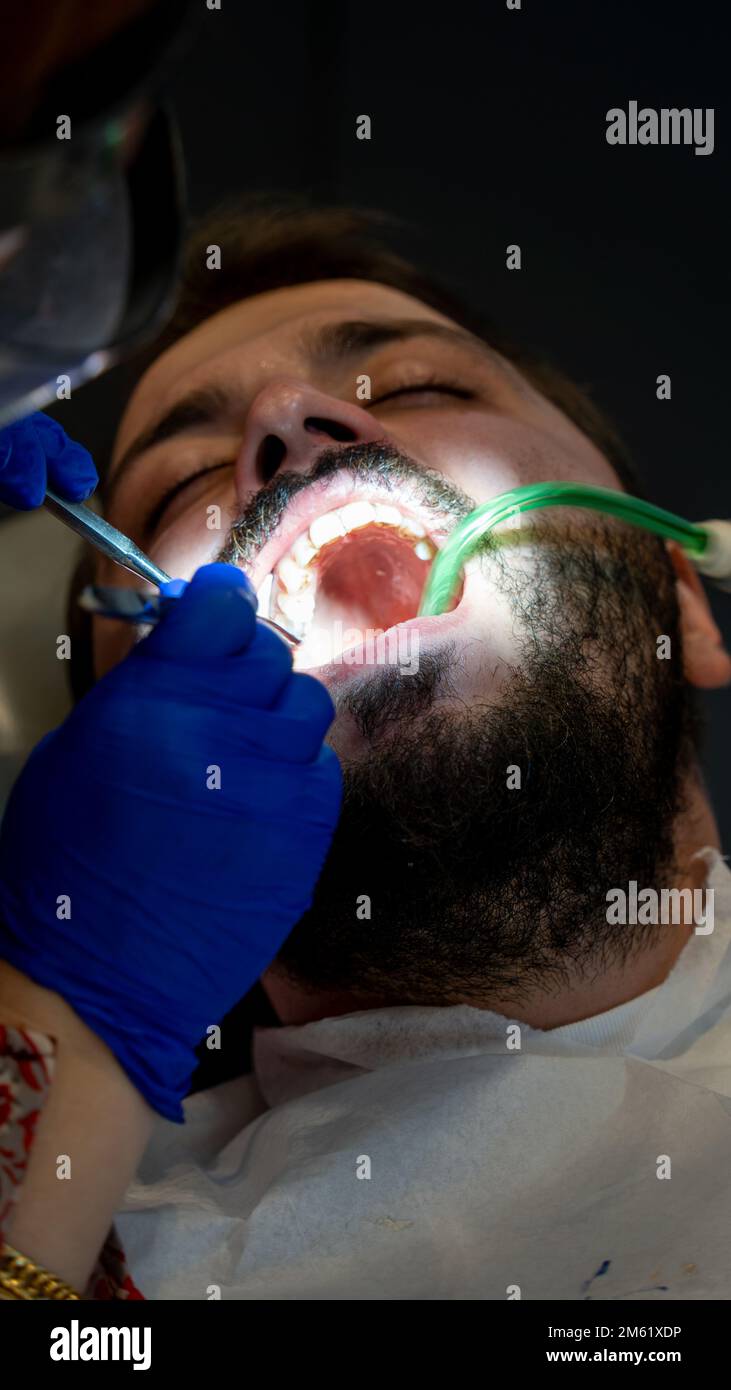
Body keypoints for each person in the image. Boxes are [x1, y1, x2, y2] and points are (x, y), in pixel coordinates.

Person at [1, 200, 730, 1301]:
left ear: (683, 597)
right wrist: (62, 1026)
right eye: (179, 482)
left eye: (421, 386)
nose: (286, 420)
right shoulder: (84, 1238)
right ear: (115, 745)